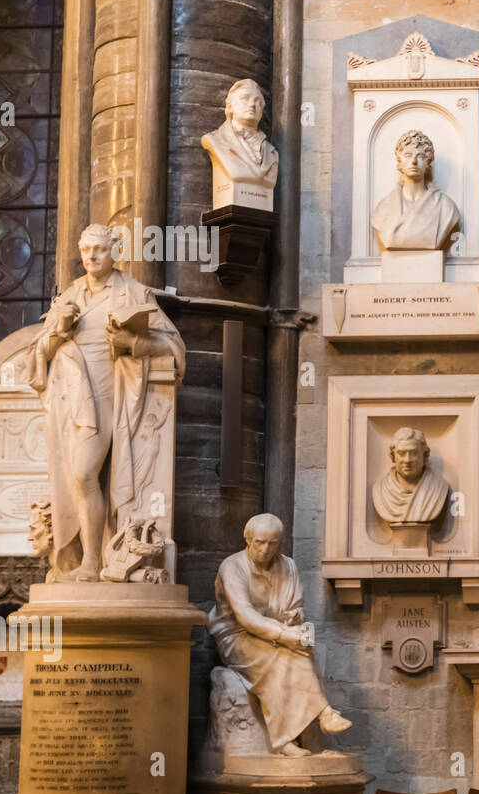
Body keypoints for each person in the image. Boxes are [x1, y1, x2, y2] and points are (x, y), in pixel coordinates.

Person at [27, 224, 185, 581]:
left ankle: (92, 563)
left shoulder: (132, 291)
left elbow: (174, 347)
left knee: (85, 472)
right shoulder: (70, 296)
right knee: (77, 478)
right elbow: (38, 356)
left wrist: (133, 343)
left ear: (115, 250)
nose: (91, 258)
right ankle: (88, 557)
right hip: (73, 399)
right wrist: (58, 332)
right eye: (85, 251)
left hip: (112, 395)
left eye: (98, 249)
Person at [207, 514, 351, 757]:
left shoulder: (289, 566)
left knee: (304, 650)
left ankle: (304, 731)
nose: (265, 550)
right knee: (281, 658)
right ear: (247, 539)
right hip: (236, 636)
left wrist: (295, 624)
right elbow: (245, 616)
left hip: (279, 631)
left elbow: (296, 607)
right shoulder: (232, 567)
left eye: (272, 544)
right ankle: (305, 726)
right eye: (260, 542)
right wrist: (285, 634)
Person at [371, 129, 462, 253]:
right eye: (408, 155)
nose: (413, 162)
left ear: (428, 164)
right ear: (399, 162)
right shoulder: (382, 210)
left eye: (420, 156)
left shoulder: (446, 208)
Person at [200, 78, 279, 193]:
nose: (252, 104)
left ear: (261, 110)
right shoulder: (214, 141)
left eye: (257, 101)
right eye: (245, 98)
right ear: (230, 106)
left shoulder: (272, 153)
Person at [372, 426, 451, 526]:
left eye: (414, 453)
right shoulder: (380, 489)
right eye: (401, 453)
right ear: (393, 456)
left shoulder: (438, 487)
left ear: (424, 456)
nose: (408, 460)